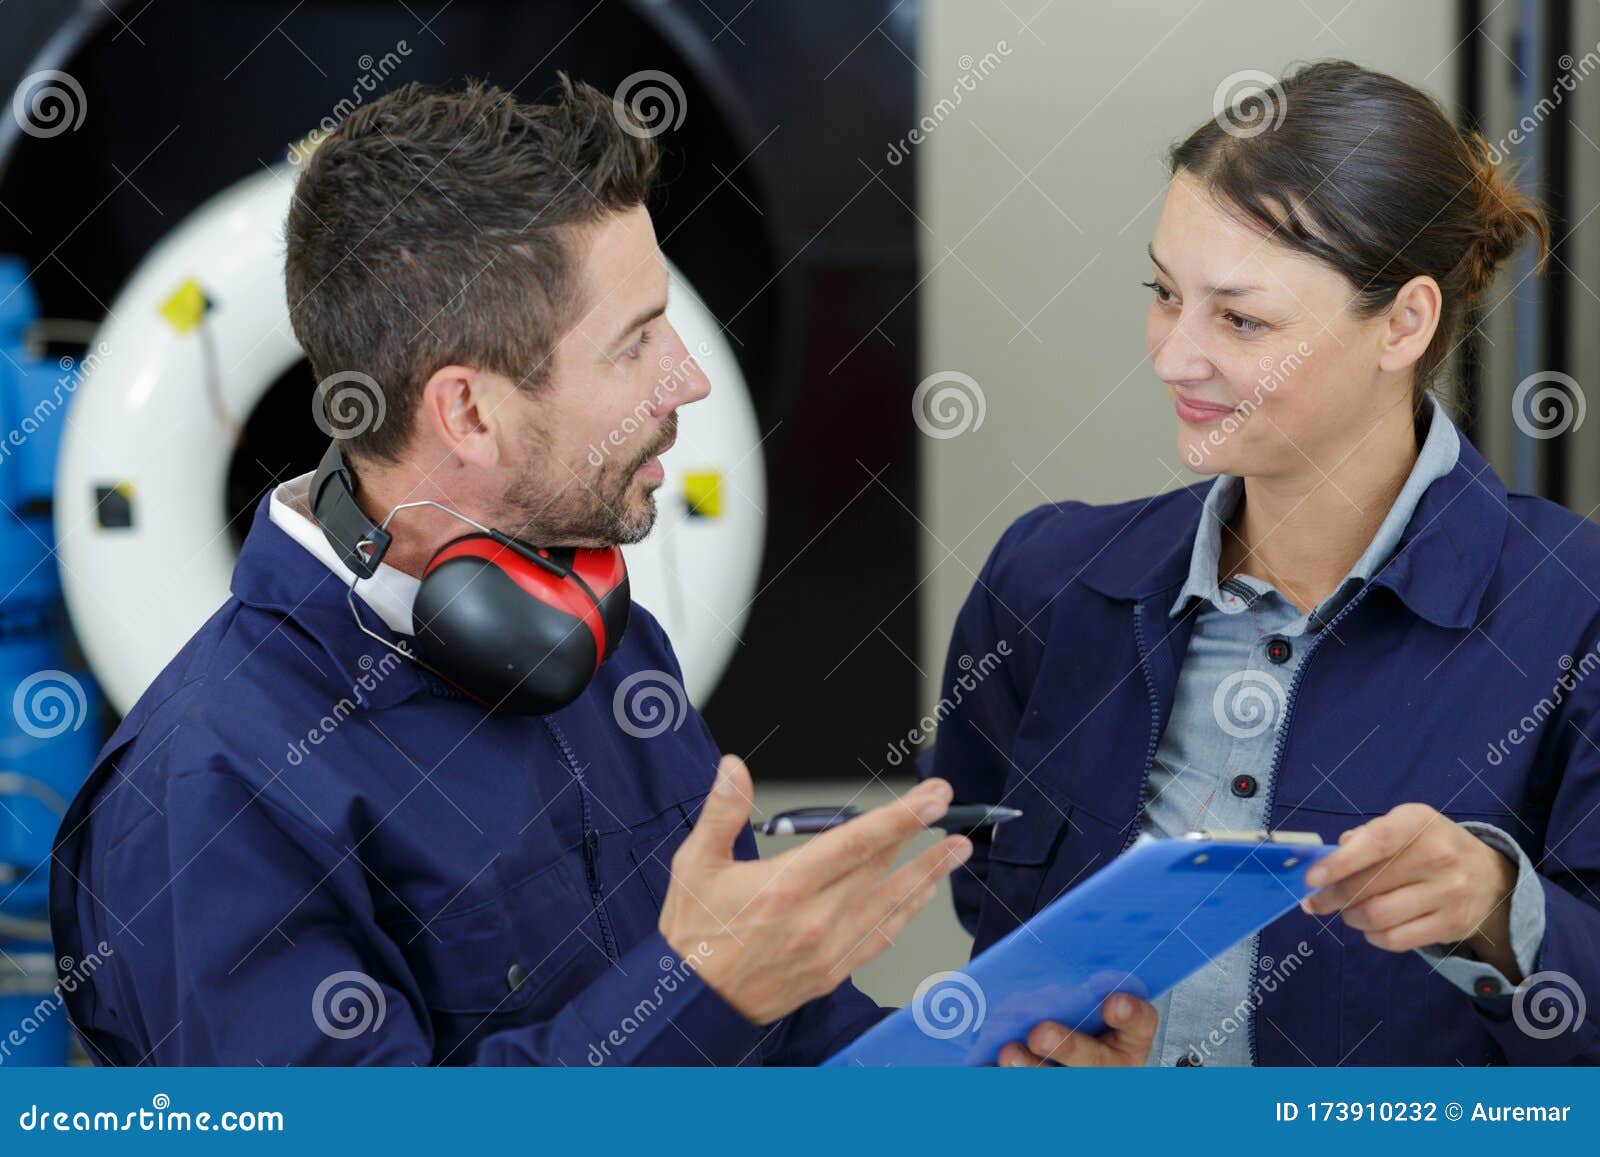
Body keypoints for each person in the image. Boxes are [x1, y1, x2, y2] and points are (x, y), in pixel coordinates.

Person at [49, 76, 1154, 1067]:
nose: (689, 380)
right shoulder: (208, 790)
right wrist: (698, 989)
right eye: (636, 342)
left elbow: (783, 1040)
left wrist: (978, 1080)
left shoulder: (599, 640)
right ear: (469, 411)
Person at [924, 60, 1600, 1066]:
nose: (1171, 355)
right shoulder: (1048, 581)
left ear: (1404, 323)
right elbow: (991, 906)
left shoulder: (1573, 611)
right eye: (1163, 293)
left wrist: (1499, 910)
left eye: (1239, 318)